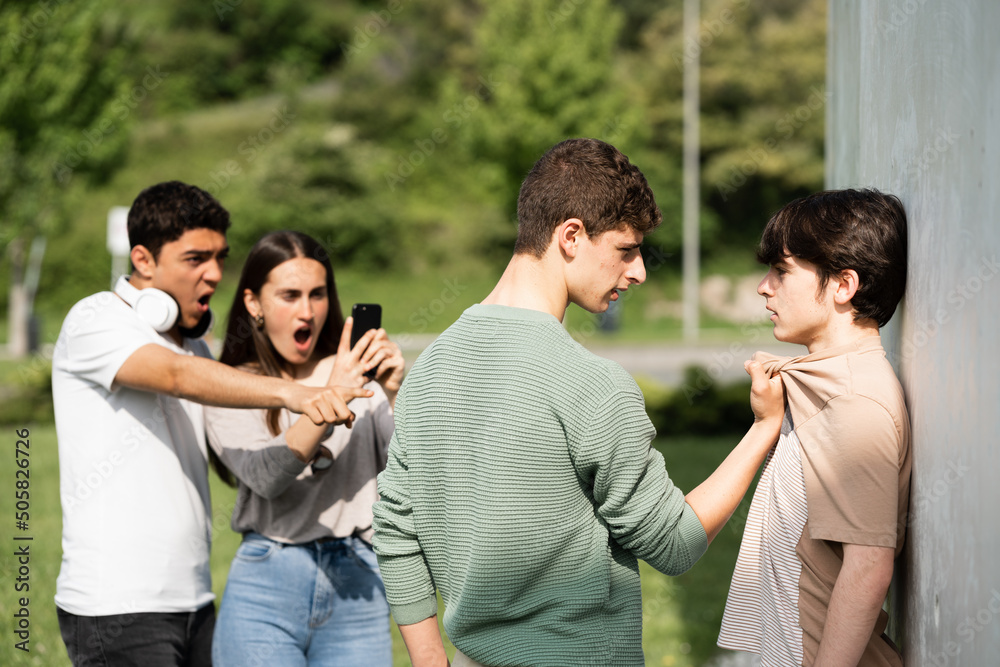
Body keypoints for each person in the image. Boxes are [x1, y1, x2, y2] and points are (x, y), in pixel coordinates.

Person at [371, 138, 786, 667]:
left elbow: (395, 528)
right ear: (571, 235)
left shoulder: (430, 367)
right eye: (626, 249)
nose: (638, 272)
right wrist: (763, 428)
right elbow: (676, 544)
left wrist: (431, 662)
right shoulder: (594, 385)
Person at [52, 182, 366, 667]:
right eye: (196, 259)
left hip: (194, 601)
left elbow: (250, 455)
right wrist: (294, 393)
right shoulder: (95, 320)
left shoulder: (194, 346)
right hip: (117, 606)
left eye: (220, 257)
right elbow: (176, 376)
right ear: (143, 260)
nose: (214, 274)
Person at [717, 188, 911, 666]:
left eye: (781, 272)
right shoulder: (825, 383)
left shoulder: (854, 400)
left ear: (843, 285)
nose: (764, 287)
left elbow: (868, 568)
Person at [202, 230, 403, 666]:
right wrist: (328, 402)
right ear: (253, 304)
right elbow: (266, 479)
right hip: (268, 579)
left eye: (318, 294)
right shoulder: (234, 385)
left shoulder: (357, 374)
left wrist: (395, 393)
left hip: (358, 579)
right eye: (289, 296)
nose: (307, 311)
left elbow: (411, 472)